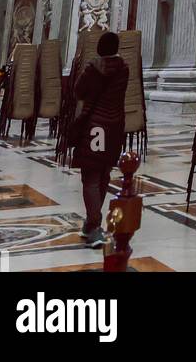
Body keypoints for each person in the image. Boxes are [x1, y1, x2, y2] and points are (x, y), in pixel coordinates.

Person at [72, 30, 129, 247]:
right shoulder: (124, 69)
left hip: (96, 127)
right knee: (104, 173)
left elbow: (78, 92)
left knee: (91, 176)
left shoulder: (92, 69)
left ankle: (94, 226)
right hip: (114, 127)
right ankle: (91, 223)